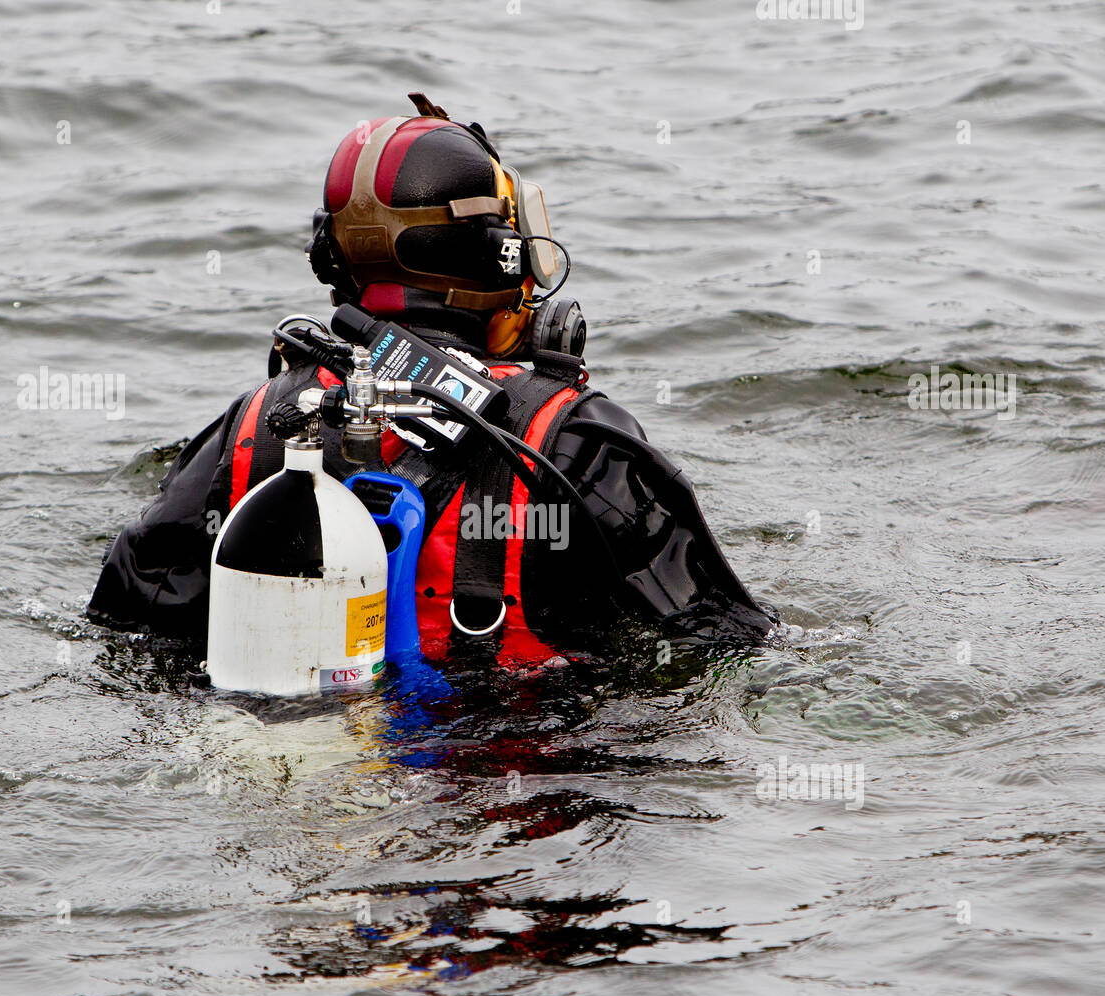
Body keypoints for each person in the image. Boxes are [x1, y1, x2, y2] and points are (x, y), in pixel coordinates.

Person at [86, 93, 777, 668]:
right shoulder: (577, 446)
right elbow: (726, 645)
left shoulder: (252, 429)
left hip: (302, 796)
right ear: (503, 258)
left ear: (333, 260)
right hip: (507, 806)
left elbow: (125, 622)